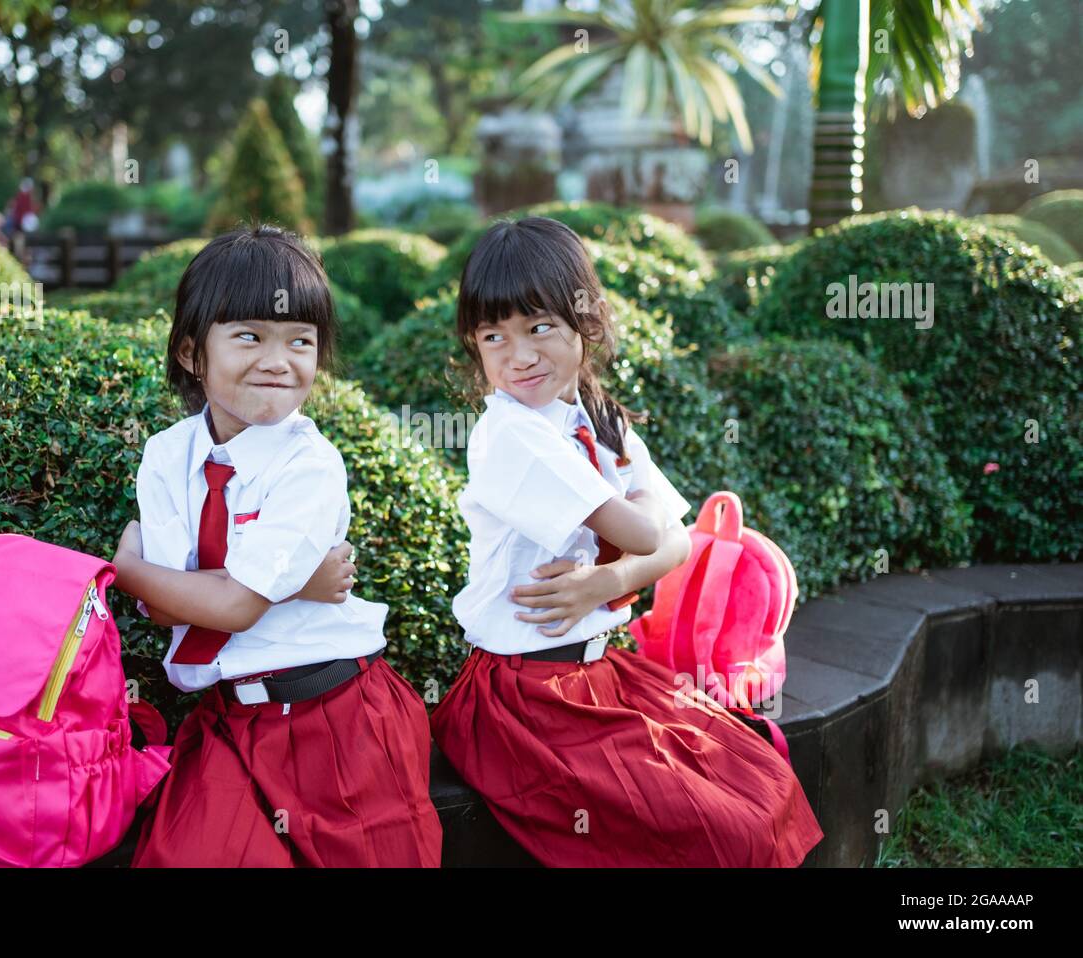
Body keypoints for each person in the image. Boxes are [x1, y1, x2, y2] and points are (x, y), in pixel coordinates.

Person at [429, 216, 825, 867]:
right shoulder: (510, 436)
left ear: (586, 324)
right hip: (525, 702)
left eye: (539, 328)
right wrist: (641, 531)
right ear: (474, 347)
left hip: (599, 673)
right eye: (493, 337)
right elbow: (649, 533)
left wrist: (610, 582)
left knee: (757, 773)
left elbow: (679, 543)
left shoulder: (595, 417)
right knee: (721, 828)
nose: (519, 355)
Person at [110, 224, 443, 867]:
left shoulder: (310, 465)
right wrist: (289, 582)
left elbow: (229, 606)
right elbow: (167, 608)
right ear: (190, 352)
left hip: (338, 715)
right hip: (230, 720)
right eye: (249, 337)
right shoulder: (166, 456)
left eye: (300, 341)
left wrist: (131, 569)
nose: (277, 359)